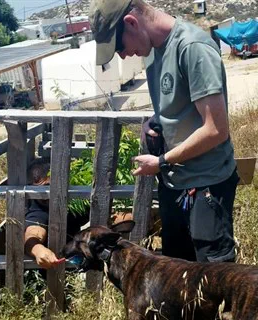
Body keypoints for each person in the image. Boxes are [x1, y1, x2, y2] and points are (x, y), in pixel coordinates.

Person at [90, 0, 239, 263]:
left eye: (119, 47)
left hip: (206, 182)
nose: (123, 56)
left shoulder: (192, 48)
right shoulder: (152, 52)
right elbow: (177, 105)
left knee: (213, 278)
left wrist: (161, 161)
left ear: (131, 23)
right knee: (177, 272)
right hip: (174, 182)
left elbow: (216, 129)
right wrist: (154, 121)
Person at [23, 158, 90, 269]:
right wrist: (38, 249)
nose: (46, 194)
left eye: (49, 187)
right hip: (50, 267)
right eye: (39, 190)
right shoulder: (38, 209)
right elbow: (33, 234)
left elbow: (109, 215)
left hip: (75, 258)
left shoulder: (75, 201)